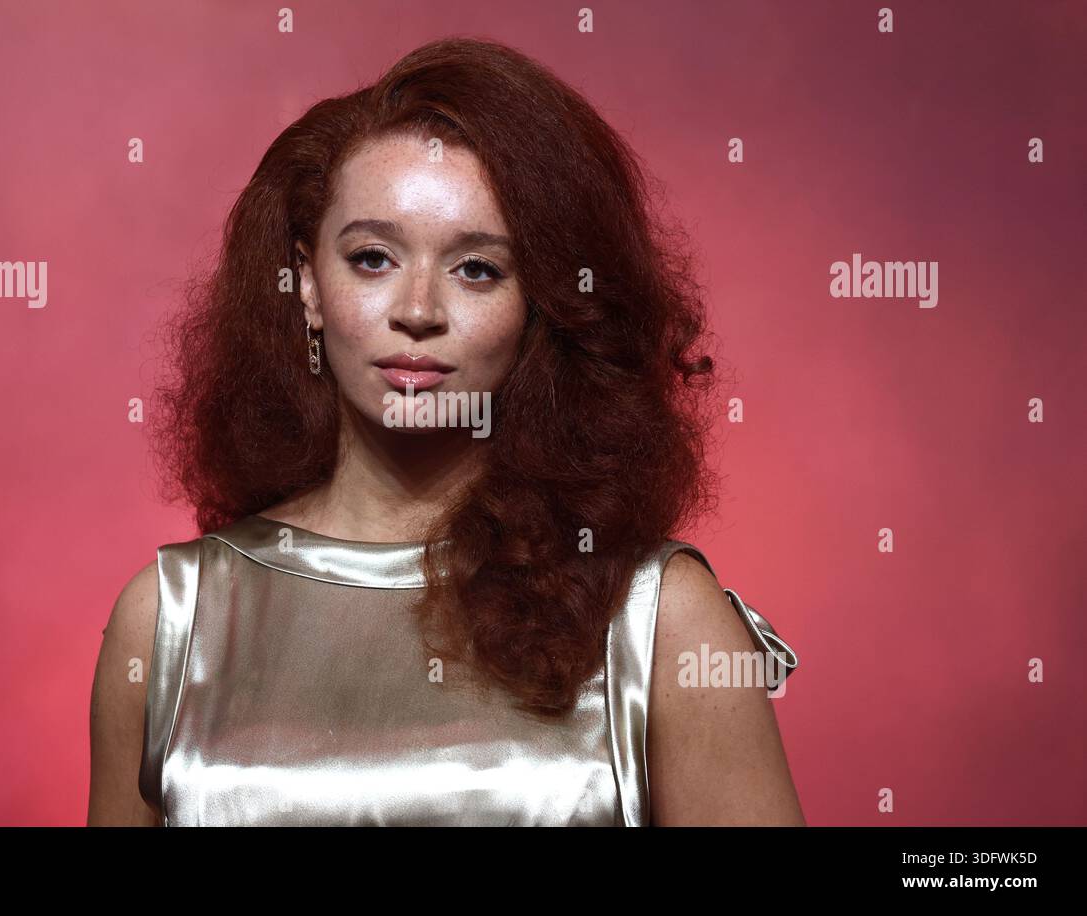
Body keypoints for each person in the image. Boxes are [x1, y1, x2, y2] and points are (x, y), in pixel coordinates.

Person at [88, 36, 803, 826]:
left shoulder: (660, 617)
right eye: (371, 258)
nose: (419, 309)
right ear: (308, 286)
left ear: (542, 306)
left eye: (477, 269)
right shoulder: (170, 620)